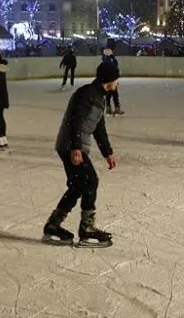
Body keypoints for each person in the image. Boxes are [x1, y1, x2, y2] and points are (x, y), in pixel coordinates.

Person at [42, 62, 119, 247]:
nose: (118, 82)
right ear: (109, 79)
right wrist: (76, 147)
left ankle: (53, 226)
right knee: (90, 181)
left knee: (78, 186)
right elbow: (75, 120)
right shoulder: (87, 94)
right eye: (117, 78)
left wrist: (107, 153)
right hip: (71, 146)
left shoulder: (99, 96)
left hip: (73, 145)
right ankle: (87, 229)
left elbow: (99, 127)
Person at [101, 47, 123, 115]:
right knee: (114, 94)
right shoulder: (110, 60)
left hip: (108, 79)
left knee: (110, 94)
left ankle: (109, 107)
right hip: (111, 79)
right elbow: (115, 65)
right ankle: (115, 108)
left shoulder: (105, 60)